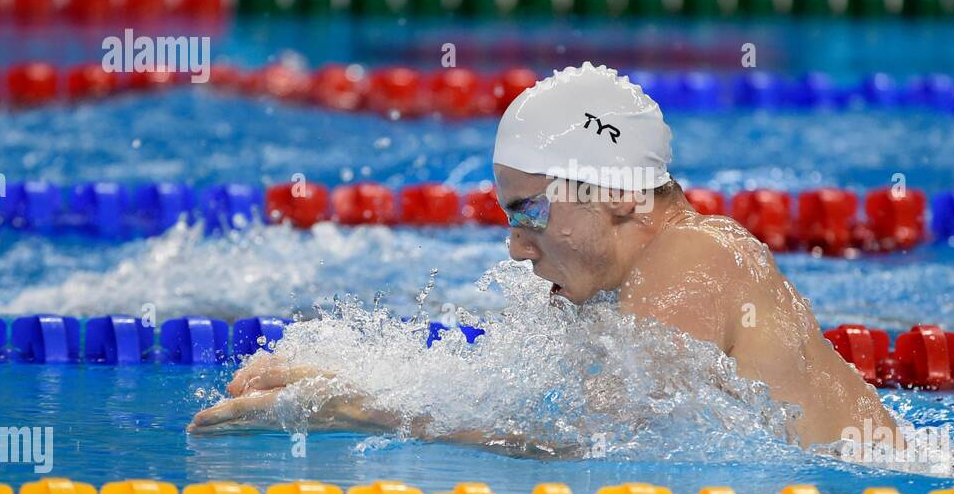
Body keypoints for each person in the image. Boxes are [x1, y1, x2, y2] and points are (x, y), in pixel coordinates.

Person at [188, 62, 898, 448]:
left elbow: (600, 445)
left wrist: (364, 412)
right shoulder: (624, 286)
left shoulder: (696, 255)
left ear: (619, 194)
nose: (514, 244)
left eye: (531, 211)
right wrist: (362, 382)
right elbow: (535, 411)